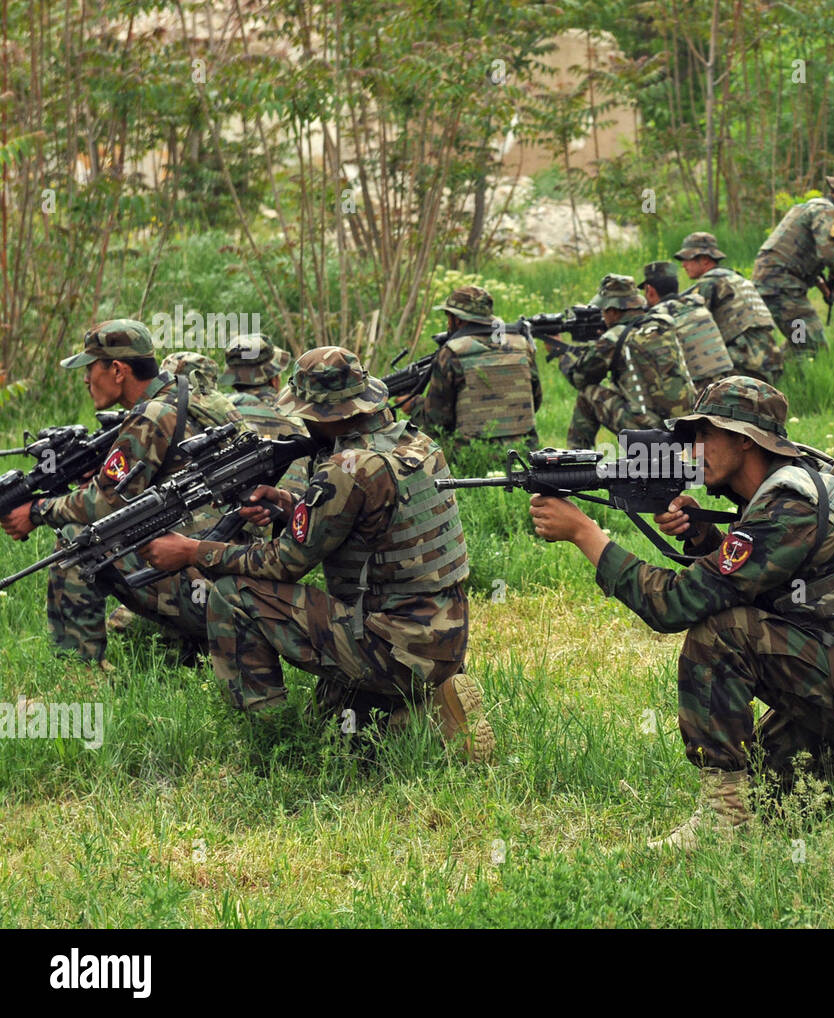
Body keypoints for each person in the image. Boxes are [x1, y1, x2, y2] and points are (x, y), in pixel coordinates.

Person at [527, 377, 834, 850]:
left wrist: (585, 534)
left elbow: (673, 605)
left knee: (722, 633)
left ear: (745, 440)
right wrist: (703, 537)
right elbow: (766, 579)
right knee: (770, 792)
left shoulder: (788, 508)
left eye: (705, 435)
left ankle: (725, 823)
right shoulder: (799, 481)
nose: (694, 449)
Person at [141, 347, 493, 760]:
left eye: (307, 412)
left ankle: (272, 744)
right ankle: (430, 715)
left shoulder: (347, 467)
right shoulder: (416, 444)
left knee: (234, 594)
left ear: (329, 414)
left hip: (391, 648)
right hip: (442, 639)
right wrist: (293, 504)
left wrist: (194, 551)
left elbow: (283, 563)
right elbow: (375, 523)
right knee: (337, 731)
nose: (304, 421)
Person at [0, 320, 246, 666]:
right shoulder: (197, 397)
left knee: (77, 541)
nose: (85, 380)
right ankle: (188, 647)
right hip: (238, 577)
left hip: (209, 592)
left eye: (90, 368)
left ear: (117, 370)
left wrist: (37, 510)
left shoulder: (153, 414)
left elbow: (104, 505)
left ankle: (77, 672)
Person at [549, 274, 696, 450]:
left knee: (588, 394)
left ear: (614, 310)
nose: (603, 315)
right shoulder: (661, 323)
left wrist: (559, 353)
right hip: (686, 427)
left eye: (604, 310)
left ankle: (577, 461)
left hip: (650, 432)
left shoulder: (613, 337)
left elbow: (579, 378)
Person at [752, 166, 834, 358]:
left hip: (777, 283)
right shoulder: (826, 212)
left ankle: (775, 374)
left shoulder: (814, 206)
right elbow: (829, 253)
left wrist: (822, 285)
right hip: (781, 287)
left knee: (801, 340)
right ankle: (770, 378)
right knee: (812, 345)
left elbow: (799, 255)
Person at [405, 285, 542, 455]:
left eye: (448, 316)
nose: (448, 323)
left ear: (458, 319)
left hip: (471, 456)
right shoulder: (521, 344)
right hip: (523, 453)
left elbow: (437, 420)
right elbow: (535, 400)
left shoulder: (452, 352)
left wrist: (413, 405)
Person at [675, 232, 783, 384]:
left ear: (705, 260)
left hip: (745, 362)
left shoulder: (711, 283)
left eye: (688, 259)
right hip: (770, 359)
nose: (683, 265)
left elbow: (685, 324)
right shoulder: (736, 278)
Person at [219, 334, 311, 501]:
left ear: (233, 380)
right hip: (288, 517)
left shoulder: (214, 415)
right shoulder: (299, 422)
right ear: (275, 380)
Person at [637, 259, 735, 389]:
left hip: (700, 392)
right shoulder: (697, 306)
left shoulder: (658, 319)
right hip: (728, 382)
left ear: (649, 290)